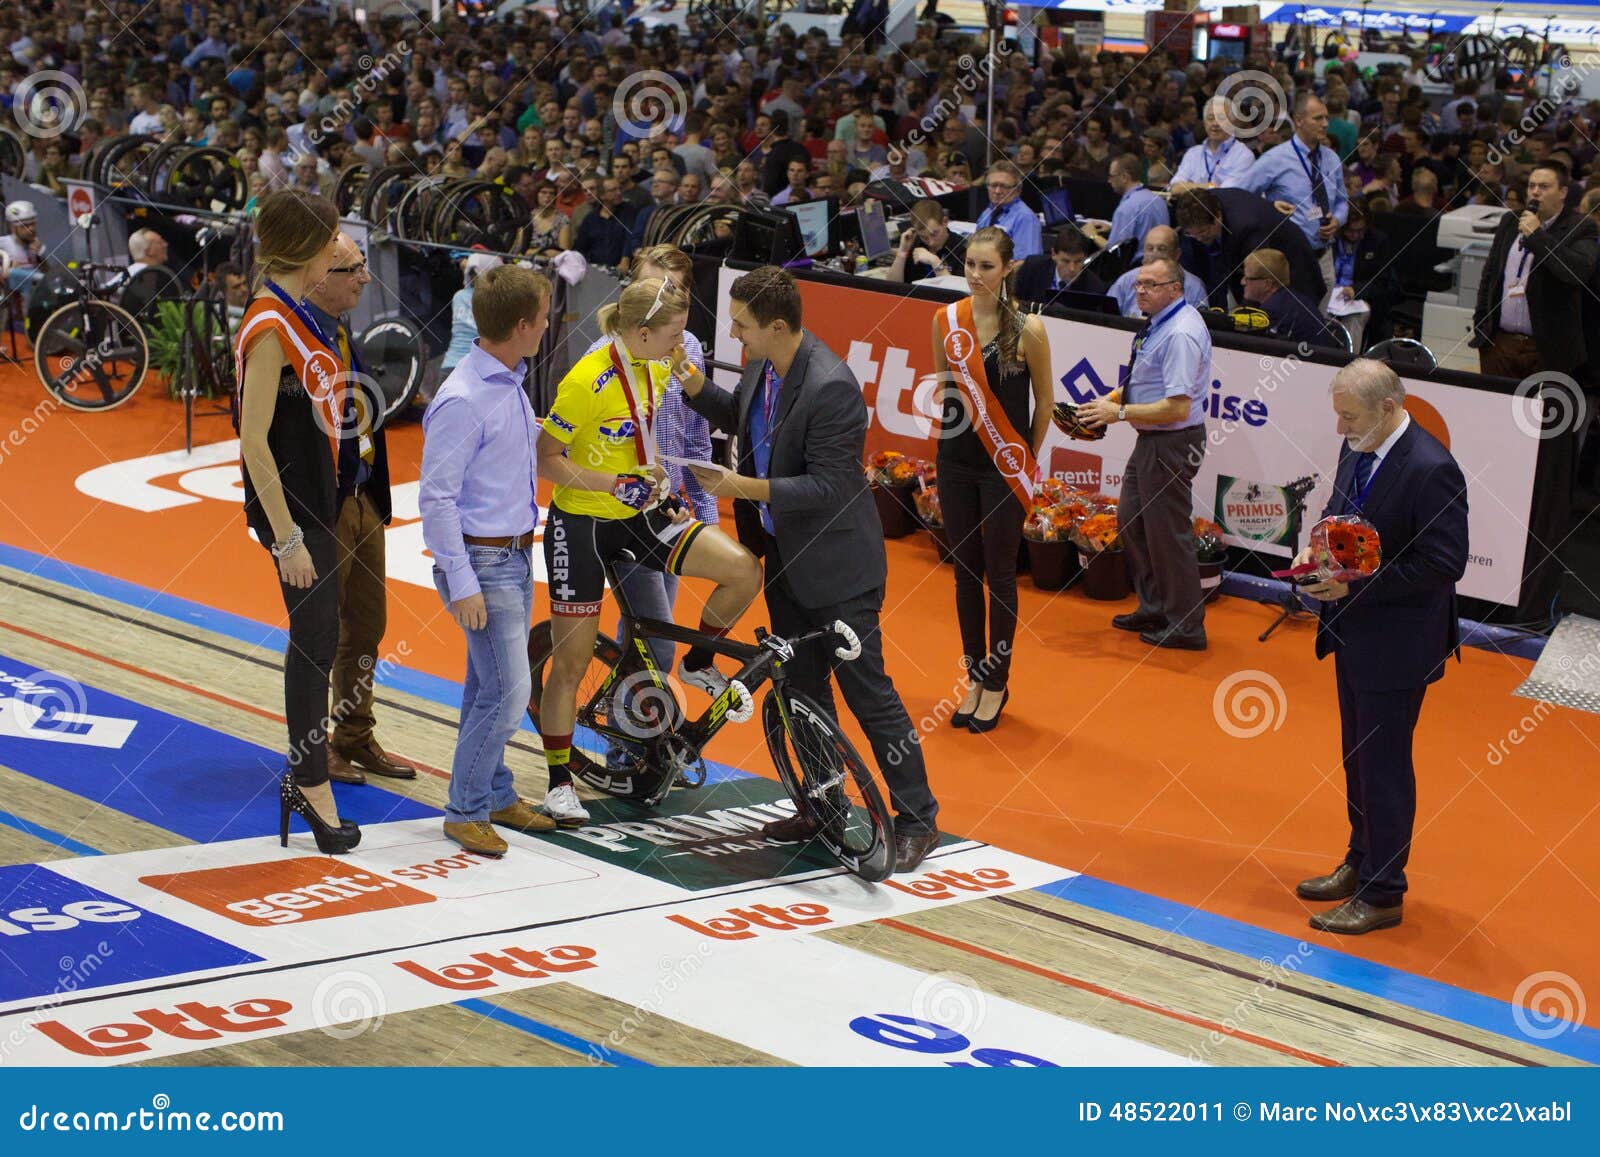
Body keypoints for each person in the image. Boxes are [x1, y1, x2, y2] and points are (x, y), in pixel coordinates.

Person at [681, 266, 942, 872]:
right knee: (800, 687)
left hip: (838, 569)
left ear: (776, 325)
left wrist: (740, 485)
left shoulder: (831, 386)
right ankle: (822, 807)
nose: (736, 338)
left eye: (743, 327)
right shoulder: (763, 365)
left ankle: (918, 818)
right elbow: (743, 418)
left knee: (867, 692)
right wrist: (695, 385)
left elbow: (828, 485)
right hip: (786, 560)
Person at [536, 278, 763, 827]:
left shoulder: (655, 363)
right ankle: (558, 781)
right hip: (583, 525)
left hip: (642, 514)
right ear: (641, 333)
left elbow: (640, 428)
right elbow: (546, 459)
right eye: (676, 334)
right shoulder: (586, 380)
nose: (682, 344)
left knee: (742, 571)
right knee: (569, 664)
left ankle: (699, 662)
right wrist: (612, 483)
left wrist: (656, 471)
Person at [1293, 359, 1468, 934]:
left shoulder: (1432, 468)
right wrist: (1319, 561)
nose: (1341, 428)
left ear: (1389, 407)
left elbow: (1443, 564)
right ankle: (1361, 860)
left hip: (1399, 642)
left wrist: (1354, 583)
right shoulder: (1360, 445)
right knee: (1358, 756)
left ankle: (1384, 892)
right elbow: (1340, 518)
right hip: (1353, 630)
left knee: (1385, 764)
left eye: (1350, 416)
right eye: (1339, 415)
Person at [233, 190, 359, 855]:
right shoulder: (270, 322)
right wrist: (287, 539)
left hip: (312, 496)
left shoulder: (294, 312)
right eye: (331, 239)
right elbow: (254, 439)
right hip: (292, 511)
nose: (336, 251)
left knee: (320, 633)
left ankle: (307, 775)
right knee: (313, 637)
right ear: (308, 245)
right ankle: (309, 780)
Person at [420, 265, 560, 856]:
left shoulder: (506, 380)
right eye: (545, 317)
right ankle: (466, 808)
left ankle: (496, 793)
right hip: (484, 565)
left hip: (512, 559)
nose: (550, 325)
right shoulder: (464, 398)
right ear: (523, 326)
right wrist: (461, 579)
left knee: (488, 687)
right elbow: (436, 497)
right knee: (507, 693)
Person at [301, 233, 417, 786]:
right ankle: (312, 748)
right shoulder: (294, 335)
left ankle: (353, 734)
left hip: (364, 496)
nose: (366, 278)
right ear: (319, 274)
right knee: (320, 634)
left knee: (367, 628)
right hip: (326, 508)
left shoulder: (341, 329)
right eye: (354, 269)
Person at [927, 227, 1053, 732]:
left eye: (986, 267)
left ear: (1007, 269)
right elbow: (944, 389)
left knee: (1000, 576)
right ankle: (974, 675)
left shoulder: (1029, 329)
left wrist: (1025, 456)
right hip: (954, 462)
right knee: (963, 574)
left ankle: (997, 682)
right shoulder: (945, 320)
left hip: (1004, 468)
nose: (976, 276)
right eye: (970, 266)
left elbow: (1044, 402)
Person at [583, 245, 719, 682]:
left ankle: (630, 740)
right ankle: (632, 749)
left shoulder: (690, 349)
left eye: (673, 290)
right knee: (658, 642)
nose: (662, 301)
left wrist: (707, 514)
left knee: (643, 635)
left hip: (673, 510)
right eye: (651, 288)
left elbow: (696, 438)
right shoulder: (601, 357)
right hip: (623, 513)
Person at [1077, 258, 1212, 651]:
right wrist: (1116, 397)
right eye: (1138, 284)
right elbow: (1146, 378)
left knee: (1168, 535)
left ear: (1175, 288)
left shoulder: (1181, 334)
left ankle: (1186, 625)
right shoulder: (1160, 323)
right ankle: (1155, 607)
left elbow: (1177, 407)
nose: (1141, 291)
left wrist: (1117, 413)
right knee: (1133, 522)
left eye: (1151, 285)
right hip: (1154, 441)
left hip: (1172, 442)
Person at [1471, 160, 1598, 378]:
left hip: (1547, 350)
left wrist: (1537, 236)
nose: (1535, 192)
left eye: (1544, 187)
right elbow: (1490, 276)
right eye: (1531, 186)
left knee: (1539, 412)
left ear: (1562, 192)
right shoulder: (1510, 221)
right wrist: (1483, 326)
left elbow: (1575, 273)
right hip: (1500, 345)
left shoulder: (1580, 227)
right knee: (1492, 410)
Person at [1229, 92, 1347, 282]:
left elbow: (1342, 201)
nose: (1325, 124)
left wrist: (1338, 220)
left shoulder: (1332, 158)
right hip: (1288, 258)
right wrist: (1268, 207)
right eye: (1318, 118)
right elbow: (1239, 197)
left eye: (1326, 118)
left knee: (1320, 312)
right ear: (1299, 121)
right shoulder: (1274, 159)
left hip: (1325, 255)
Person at [1172, 186, 1327, 308]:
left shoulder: (1246, 227)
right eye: (1192, 234)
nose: (1199, 238)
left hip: (1294, 272)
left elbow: (1258, 278)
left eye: (1203, 232)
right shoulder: (1199, 205)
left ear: (1217, 218)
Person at [1240, 248, 1338, 348]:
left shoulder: (1272, 312)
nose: (1242, 282)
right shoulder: (1298, 301)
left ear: (1267, 284)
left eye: (1248, 278)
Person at [1107, 226, 1207, 316]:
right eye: (1150, 248)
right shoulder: (1126, 280)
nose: (1154, 254)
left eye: (1161, 249)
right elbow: (1106, 317)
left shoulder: (1195, 287)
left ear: (1177, 254)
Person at [1084, 154, 1170, 260]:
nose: (1109, 181)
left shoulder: (1126, 209)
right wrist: (1114, 227)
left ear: (1124, 177)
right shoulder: (1158, 200)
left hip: (1137, 269)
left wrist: (1093, 236)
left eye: (1111, 176)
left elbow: (1115, 252)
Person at [1169, 97, 1254, 191]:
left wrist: (1189, 186)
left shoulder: (1244, 156)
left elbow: (1227, 193)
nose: (1215, 123)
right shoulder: (1193, 153)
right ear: (1205, 123)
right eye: (1210, 118)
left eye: (1221, 118)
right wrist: (1212, 187)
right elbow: (1175, 187)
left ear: (1233, 123)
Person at [1015, 229, 1107, 306]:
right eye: (1066, 261)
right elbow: (1011, 299)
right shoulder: (1032, 267)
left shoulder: (1094, 288)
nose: (1072, 268)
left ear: (1085, 258)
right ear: (1054, 254)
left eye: (1078, 261)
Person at [974, 160, 1043, 260]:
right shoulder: (988, 211)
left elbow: (1026, 262)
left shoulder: (1025, 218)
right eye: (993, 185)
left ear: (1017, 190)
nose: (997, 191)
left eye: (1004, 186)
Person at [887, 199, 968, 283]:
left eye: (934, 234)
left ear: (945, 222)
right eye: (923, 237)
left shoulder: (962, 248)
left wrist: (935, 262)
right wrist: (902, 251)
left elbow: (957, 291)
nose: (931, 242)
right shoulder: (914, 242)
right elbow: (892, 286)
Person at [2, 201, 43, 290]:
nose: (31, 229)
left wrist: (40, 255)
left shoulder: (36, 245)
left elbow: (47, 277)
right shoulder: (4, 243)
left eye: (33, 224)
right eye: (25, 225)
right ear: (13, 227)